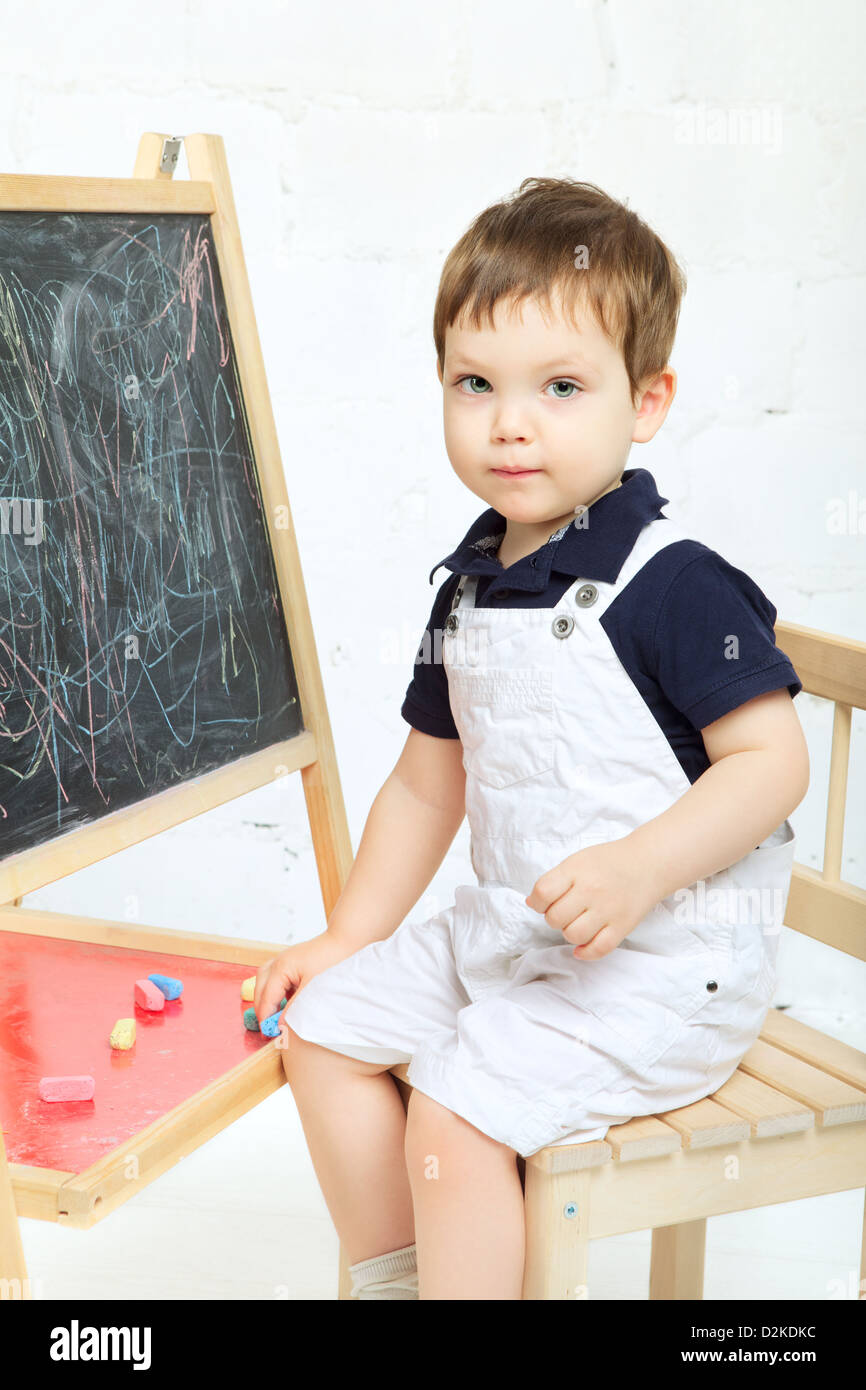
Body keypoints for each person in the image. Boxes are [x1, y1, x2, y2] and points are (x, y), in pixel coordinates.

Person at [254, 177, 809, 1300]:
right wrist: (344, 937)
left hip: (665, 967)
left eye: (559, 387)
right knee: (317, 1029)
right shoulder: (467, 587)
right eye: (476, 384)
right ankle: (399, 1281)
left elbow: (771, 763)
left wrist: (637, 864)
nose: (510, 421)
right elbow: (423, 788)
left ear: (643, 402)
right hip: (510, 939)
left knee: (454, 1103)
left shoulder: (672, 583)